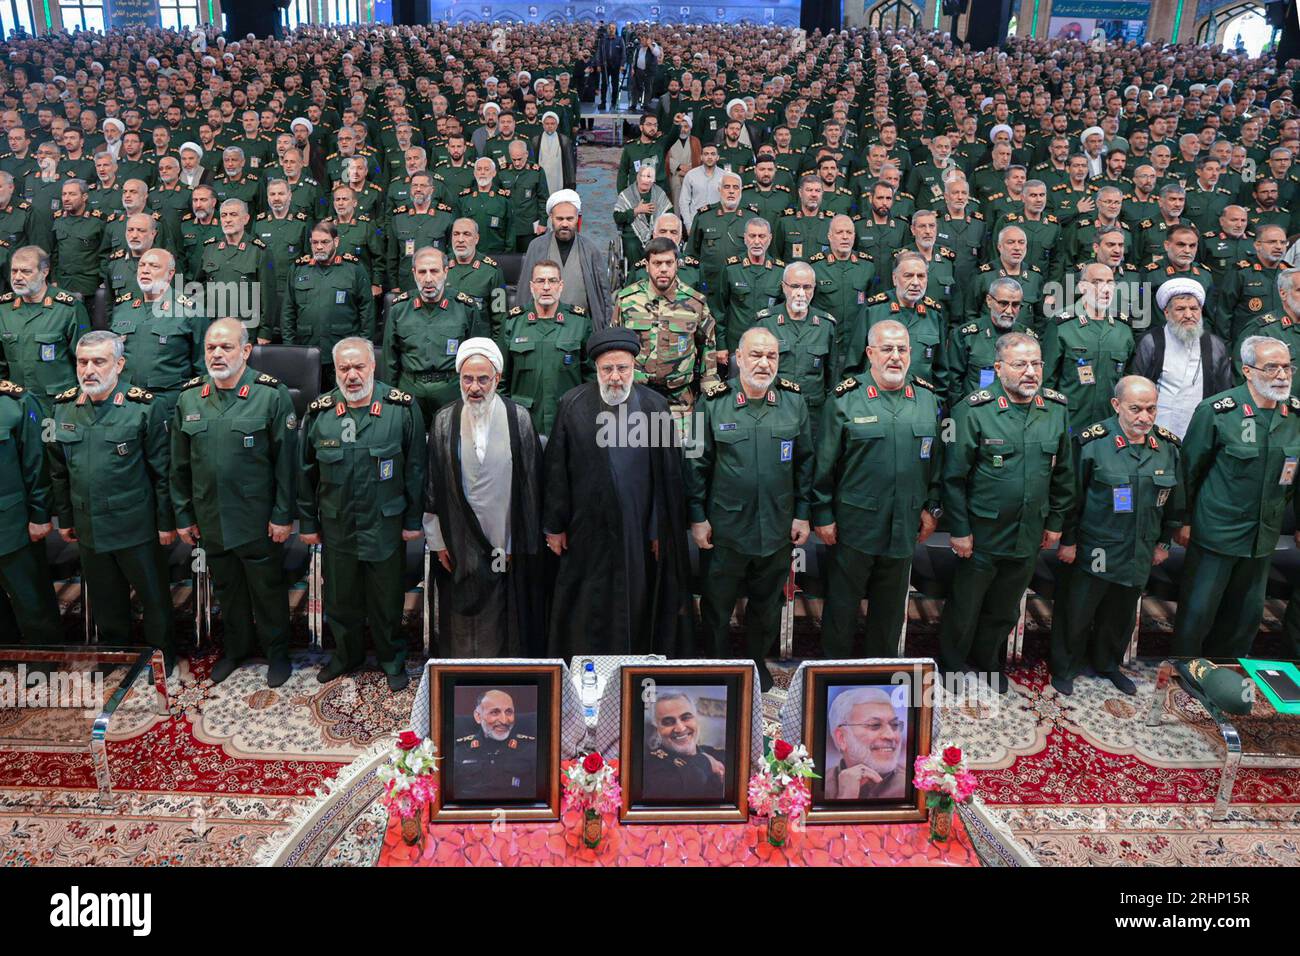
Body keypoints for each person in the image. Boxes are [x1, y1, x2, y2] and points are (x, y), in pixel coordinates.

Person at [543, 326, 693, 657]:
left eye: (622, 368)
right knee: (588, 605)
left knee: (636, 602)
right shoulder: (573, 404)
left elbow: (666, 477)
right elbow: (556, 470)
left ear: (634, 368)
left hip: (638, 533)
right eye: (607, 369)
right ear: (595, 370)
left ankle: (634, 667)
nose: (615, 377)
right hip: (586, 531)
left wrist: (658, 528)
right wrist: (554, 526)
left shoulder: (654, 406)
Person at [939, 333, 1073, 692]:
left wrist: (1056, 522)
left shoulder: (1056, 409)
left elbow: (1064, 473)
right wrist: (959, 529)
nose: (1031, 372)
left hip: (1029, 530)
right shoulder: (974, 410)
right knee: (965, 605)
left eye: (1036, 364)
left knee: (1005, 607)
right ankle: (951, 664)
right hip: (982, 531)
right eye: (1020, 364)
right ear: (999, 369)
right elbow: (953, 478)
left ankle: (988, 661)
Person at [171, 319, 297, 687]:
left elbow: (286, 464)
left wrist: (283, 515)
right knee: (227, 590)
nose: (217, 354)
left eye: (226, 347)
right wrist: (183, 515)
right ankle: (237, 649)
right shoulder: (190, 397)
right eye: (211, 347)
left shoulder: (271, 395)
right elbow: (178, 466)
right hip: (211, 517)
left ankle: (277, 654)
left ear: (245, 351)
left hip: (257, 518)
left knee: (267, 591)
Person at [297, 337, 427, 692]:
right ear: (335, 371)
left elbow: (416, 469)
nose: (352, 375)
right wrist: (308, 523)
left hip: (385, 524)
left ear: (373, 367)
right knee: (341, 599)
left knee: (387, 600)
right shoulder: (320, 412)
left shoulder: (401, 408)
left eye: (359, 367)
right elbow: (305, 473)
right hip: (337, 526)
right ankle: (346, 655)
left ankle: (391, 658)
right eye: (344, 368)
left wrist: (414, 521)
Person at [687, 327, 813, 690]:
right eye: (755, 355)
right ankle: (715, 666)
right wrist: (697, 517)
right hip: (725, 527)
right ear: (738, 358)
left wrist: (802, 512)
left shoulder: (793, 403)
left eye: (771, 356)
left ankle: (757, 664)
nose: (763, 363)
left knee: (767, 605)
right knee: (717, 606)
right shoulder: (711, 401)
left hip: (775, 527)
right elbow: (695, 462)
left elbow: (805, 462)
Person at [47, 332, 176, 670]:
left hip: (135, 524)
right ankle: (115, 653)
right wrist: (66, 519)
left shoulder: (144, 407)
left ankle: (161, 656)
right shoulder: (63, 408)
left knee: (154, 597)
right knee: (105, 597)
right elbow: (58, 472)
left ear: (119, 365)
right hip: (89, 524)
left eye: (99, 361)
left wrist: (166, 523)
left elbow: (163, 473)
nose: (89, 369)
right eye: (83, 362)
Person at [814, 321, 942, 658]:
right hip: (855, 524)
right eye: (887, 349)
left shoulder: (928, 399)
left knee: (889, 612)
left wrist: (932, 508)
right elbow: (824, 464)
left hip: (904, 524)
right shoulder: (845, 400)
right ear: (870, 353)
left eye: (902, 349)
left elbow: (937, 463)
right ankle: (833, 676)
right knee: (842, 608)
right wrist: (822, 514)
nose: (895, 356)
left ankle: (880, 674)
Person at [1052, 376, 1184, 696]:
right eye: (1136, 409)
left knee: (1121, 613)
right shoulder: (1091, 442)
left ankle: (1108, 663)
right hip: (1096, 545)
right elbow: (1070, 496)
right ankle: (1065, 667)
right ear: (1116, 405)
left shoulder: (1167, 447)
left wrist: (1163, 542)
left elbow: (1175, 501)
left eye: (1151, 409)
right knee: (1078, 610)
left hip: (1139, 546)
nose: (1145, 417)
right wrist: (1068, 540)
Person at [1173, 335, 1300, 658]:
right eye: (1271, 368)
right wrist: (1183, 520)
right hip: (1216, 531)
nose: (1283, 375)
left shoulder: (1296, 416)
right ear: (1247, 370)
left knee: (1245, 615)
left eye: (1287, 367)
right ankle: (1186, 667)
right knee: (1199, 610)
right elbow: (1189, 471)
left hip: (1262, 534)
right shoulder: (1217, 412)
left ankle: (1229, 669)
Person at [425, 338, 546, 658]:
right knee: (463, 613)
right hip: (459, 540)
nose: (474, 387)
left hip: (507, 540)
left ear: (498, 378)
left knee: (508, 613)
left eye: (483, 379)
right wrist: (437, 543)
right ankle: (467, 672)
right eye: (467, 378)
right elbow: (433, 490)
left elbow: (533, 486)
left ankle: (506, 673)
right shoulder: (443, 420)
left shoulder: (518, 418)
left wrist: (520, 543)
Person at [611, 236, 718, 415]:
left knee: (683, 443)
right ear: (647, 265)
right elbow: (614, 347)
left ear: (677, 264)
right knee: (633, 442)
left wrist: (709, 393)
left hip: (680, 399)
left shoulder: (695, 302)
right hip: (636, 396)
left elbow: (708, 347)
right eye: (657, 263)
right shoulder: (627, 300)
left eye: (669, 263)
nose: (663, 269)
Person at [383, 246, 480, 424]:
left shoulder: (465, 307)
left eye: (434, 271)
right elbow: (390, 361)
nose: (428, 279)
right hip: (410, 390)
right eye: (422, 272)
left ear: (445, 271)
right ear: (413, 273)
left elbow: (476, 358)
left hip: (451, 390)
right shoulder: (399, 309)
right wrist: (390, 398)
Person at [1130, 278, 1234, 439]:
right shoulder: (1151, 342)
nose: (1188, 315)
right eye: (1180, 309)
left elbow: (1224, 393)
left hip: (1200, 430)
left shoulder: (1215, 345)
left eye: (1194, 308)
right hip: (1157, 430)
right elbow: (1135, 388)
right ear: (1166, 312)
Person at [0, 376, 61, 642]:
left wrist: (39, 514)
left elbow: (37, 465)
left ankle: (44, 655)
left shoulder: (16, 403)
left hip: (10, 523)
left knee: (31, 597)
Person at [502, 260, 594, 437]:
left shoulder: (579, 322)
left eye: (552, 281)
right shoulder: (514, 323)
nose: (546, 287)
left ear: (561, 286)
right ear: (531, 286)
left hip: (568, 420)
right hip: (525, 421)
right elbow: (501, 380)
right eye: (540, 281)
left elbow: (590, 377)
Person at [282, 220, 375, 389]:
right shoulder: (298, 269)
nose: (319, 247)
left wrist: (362, 348)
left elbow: (367, 311)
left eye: (324, 242)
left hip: (343, 353)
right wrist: (290, 349)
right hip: (307, 349)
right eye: (315, 242)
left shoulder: (353, 269)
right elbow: (288, 311)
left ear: (336, 242)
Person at [0, 246, 88, 417]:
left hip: (58, 404)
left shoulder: (69, 308)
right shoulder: (3, 309)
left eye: (26, 271)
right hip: (17, 404)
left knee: (53, 443)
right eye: (14, 271)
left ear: (44, 272)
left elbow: (84, 360)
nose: (17, 277)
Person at [519, 190, 612, 330]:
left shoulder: (590, 250)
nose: (564, 224)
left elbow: (603, 294)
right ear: (551, 217)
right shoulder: (536, 247)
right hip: (542, 327)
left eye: (570, 219)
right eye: (559, 218)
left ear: (577, 218)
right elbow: (525, 289)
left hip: (582, 327)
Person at [824, 687, 907, 800]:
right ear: (842, 738)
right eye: (874, 725)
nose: (890, 735)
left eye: (895, 725)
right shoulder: (814, 786)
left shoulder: (915, 787)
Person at [452, 689, 537, 799]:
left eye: (509, 712)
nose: (504, 720)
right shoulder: (459, 750)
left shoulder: (531, 749)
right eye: (494, 712)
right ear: (478, 717)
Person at [642, 691, 726, 800]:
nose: (680, 728)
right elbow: (668, 790)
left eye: (686, 717)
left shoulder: (718, 754)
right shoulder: (649, 764)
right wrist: (705, 763)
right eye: (668, 722)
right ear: (657, 729)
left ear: (696, 720)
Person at [614, 163, 672, 268]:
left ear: (653, 180)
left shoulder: (659, 194)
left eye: (648, 176)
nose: (645, 180)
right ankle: (636, 275)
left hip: (655, 234)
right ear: (637, 177)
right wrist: (635, 211)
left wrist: (660, 230)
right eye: (642, 176)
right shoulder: (626, 194)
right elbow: (617, 218)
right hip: (632, 234)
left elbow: (670, 215)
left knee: (662, 246)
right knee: (632, 246)